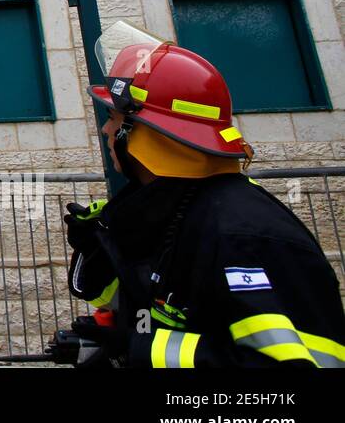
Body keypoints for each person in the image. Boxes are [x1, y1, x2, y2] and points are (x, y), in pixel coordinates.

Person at [63, 25, 345, 367]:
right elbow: (159, 307)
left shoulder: (242, 235)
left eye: (114, 118)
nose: (107, 130)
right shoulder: (178, 208)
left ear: (150, 135)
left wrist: (140, 349)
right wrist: (101, 250)